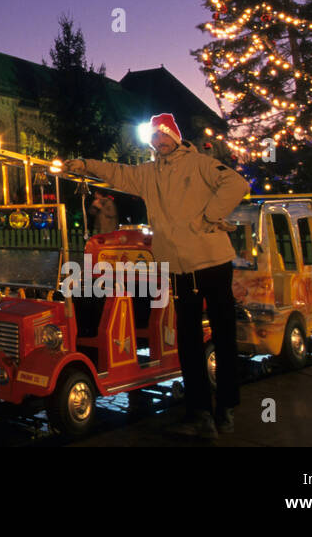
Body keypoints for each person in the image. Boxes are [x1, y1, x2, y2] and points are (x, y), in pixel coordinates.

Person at [66, 113, 249, 439]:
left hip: (212, 262)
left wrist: (209, 216)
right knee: (188, 343)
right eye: (154, 137)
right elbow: (117, 172)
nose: (159, 142)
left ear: (175, 136)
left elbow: (237, 184)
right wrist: (85, 164)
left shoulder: (200, 164)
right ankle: (201, 413)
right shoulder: (148, 173)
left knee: (223, 334)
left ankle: (227, 407)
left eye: (164, 135)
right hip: (178, 269)